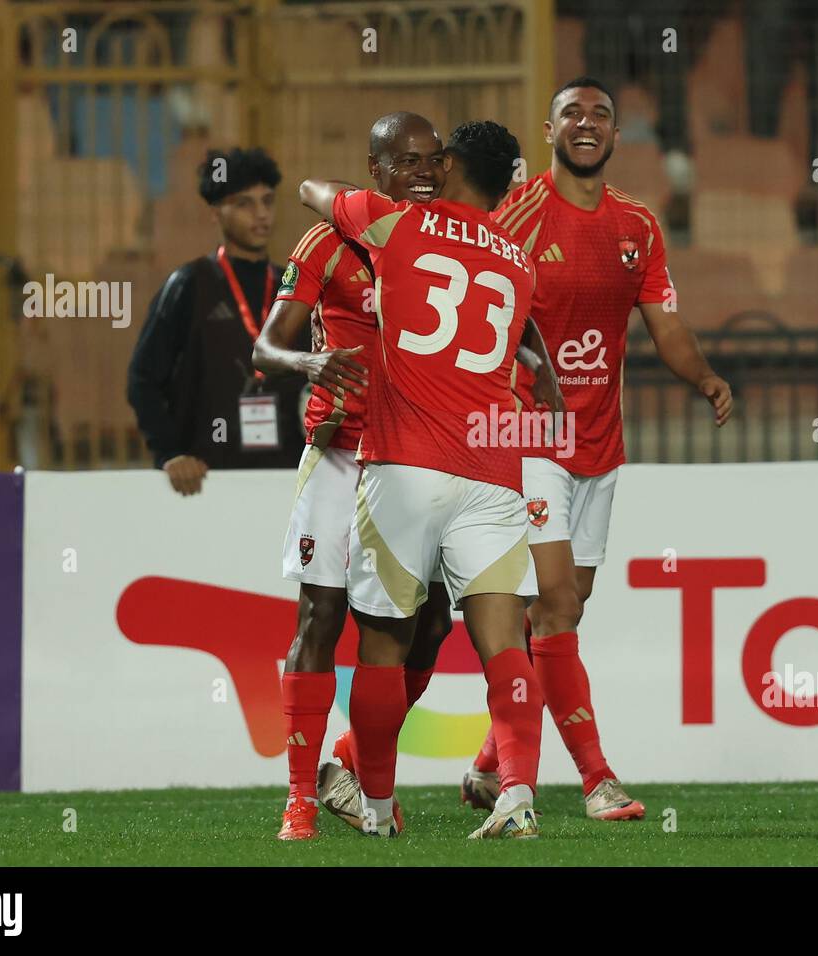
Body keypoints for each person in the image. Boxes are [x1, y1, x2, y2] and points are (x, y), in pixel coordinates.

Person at [462, 77, 733, 821]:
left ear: (615, 136)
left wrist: (704, 376)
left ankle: (490, 764)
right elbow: (480, 323)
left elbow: (663, 322)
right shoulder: (514, 217)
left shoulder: (638, 225)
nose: (587, 124)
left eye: (600, 115)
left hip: (600, 445)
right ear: (549, 133)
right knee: (551, 603)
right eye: (572, 114)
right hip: (529, 436)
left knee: (567, 609)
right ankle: (594, 780)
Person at [298, 120, 555, 839]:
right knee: (504, 643)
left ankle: (377, 807)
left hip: (404, 465)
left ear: (444, 167)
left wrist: (342, 188)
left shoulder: (398, 224)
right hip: (492, 472)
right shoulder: (520, 263)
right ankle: (518, 796)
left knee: (383, 643)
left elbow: (314, 192)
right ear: (507, 185)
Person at [254, 112, 456, 840]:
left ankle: (355, 761)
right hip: (343, 453)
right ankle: (301, 799)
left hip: (420, 462)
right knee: (321, 617)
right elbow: (266, 346)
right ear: (373, 172)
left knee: (428, 626)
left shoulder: (451, 244)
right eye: (407, 162)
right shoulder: (327, 242)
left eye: (434, 160)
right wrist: (309, 362)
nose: (425, 173)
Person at [128, 148, 304, 495]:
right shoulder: (190, 285)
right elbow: (143, 379)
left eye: (267, 201)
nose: (261, 214)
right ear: (215, 213)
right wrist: (171, 454)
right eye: (244, 204)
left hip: (288, 477)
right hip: (205, 480)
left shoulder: (296, 288)